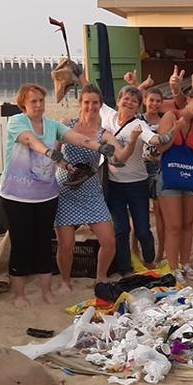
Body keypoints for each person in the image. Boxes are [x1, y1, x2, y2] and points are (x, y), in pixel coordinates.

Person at [0, 83, 114, 307]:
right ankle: (20, 295)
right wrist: (51, 152)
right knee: (21, 244)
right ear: (23, 103)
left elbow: (77, 138)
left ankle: (46, 291)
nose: (39, 105)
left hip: (45, 195)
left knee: (43, 244)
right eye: (34, 101)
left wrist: (98, 148)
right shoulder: (17, 122)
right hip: (16, 195)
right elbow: (31, 142)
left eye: (42, 100)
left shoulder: (52, 125)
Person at [54, 84, 136, 292]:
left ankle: (100, 277)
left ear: (100, 105)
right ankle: (65, 281)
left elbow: (121, 157)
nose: (91, 106)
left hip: (91, 190)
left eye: (95, 103)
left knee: (109, 240)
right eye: (87, 102)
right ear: (80, 103)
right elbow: (54, 156)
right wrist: (65, 165)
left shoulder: (104, 134)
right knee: (66, 245)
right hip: (65, 189)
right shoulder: (66, 125)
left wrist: (133, 142)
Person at [99, 86, 164, 275]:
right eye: (125, 99)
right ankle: (125, 269)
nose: (128, 103)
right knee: (121, 229)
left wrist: (161, 138)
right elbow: (91, 91)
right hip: (114, 184)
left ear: (138, 107)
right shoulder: (109, 116)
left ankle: (149, 261)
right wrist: (78, 77)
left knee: (142, 229)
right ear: (118, 101)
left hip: (137, 184)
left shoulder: (139, 125)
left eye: (134, 101)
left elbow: (151, 138)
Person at [157, 88, 193, 280]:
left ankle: (185, 263)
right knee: (174, 225)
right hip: (169, 176)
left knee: (188, 223)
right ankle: (173, 267)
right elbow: (161, 147)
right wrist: (175, 129)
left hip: (188, 175)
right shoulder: (171, 116)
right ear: (188, 100)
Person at [139, 88, 166, 261]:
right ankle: (135, 253)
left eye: (158, 101)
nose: (154, 104)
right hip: (140, 167)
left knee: (160, 215)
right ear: (145, 101)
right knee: (139, 215)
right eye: (151, 100)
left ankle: (160, 254)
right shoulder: (138, 120)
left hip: (158, 167)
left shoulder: (165, 120)